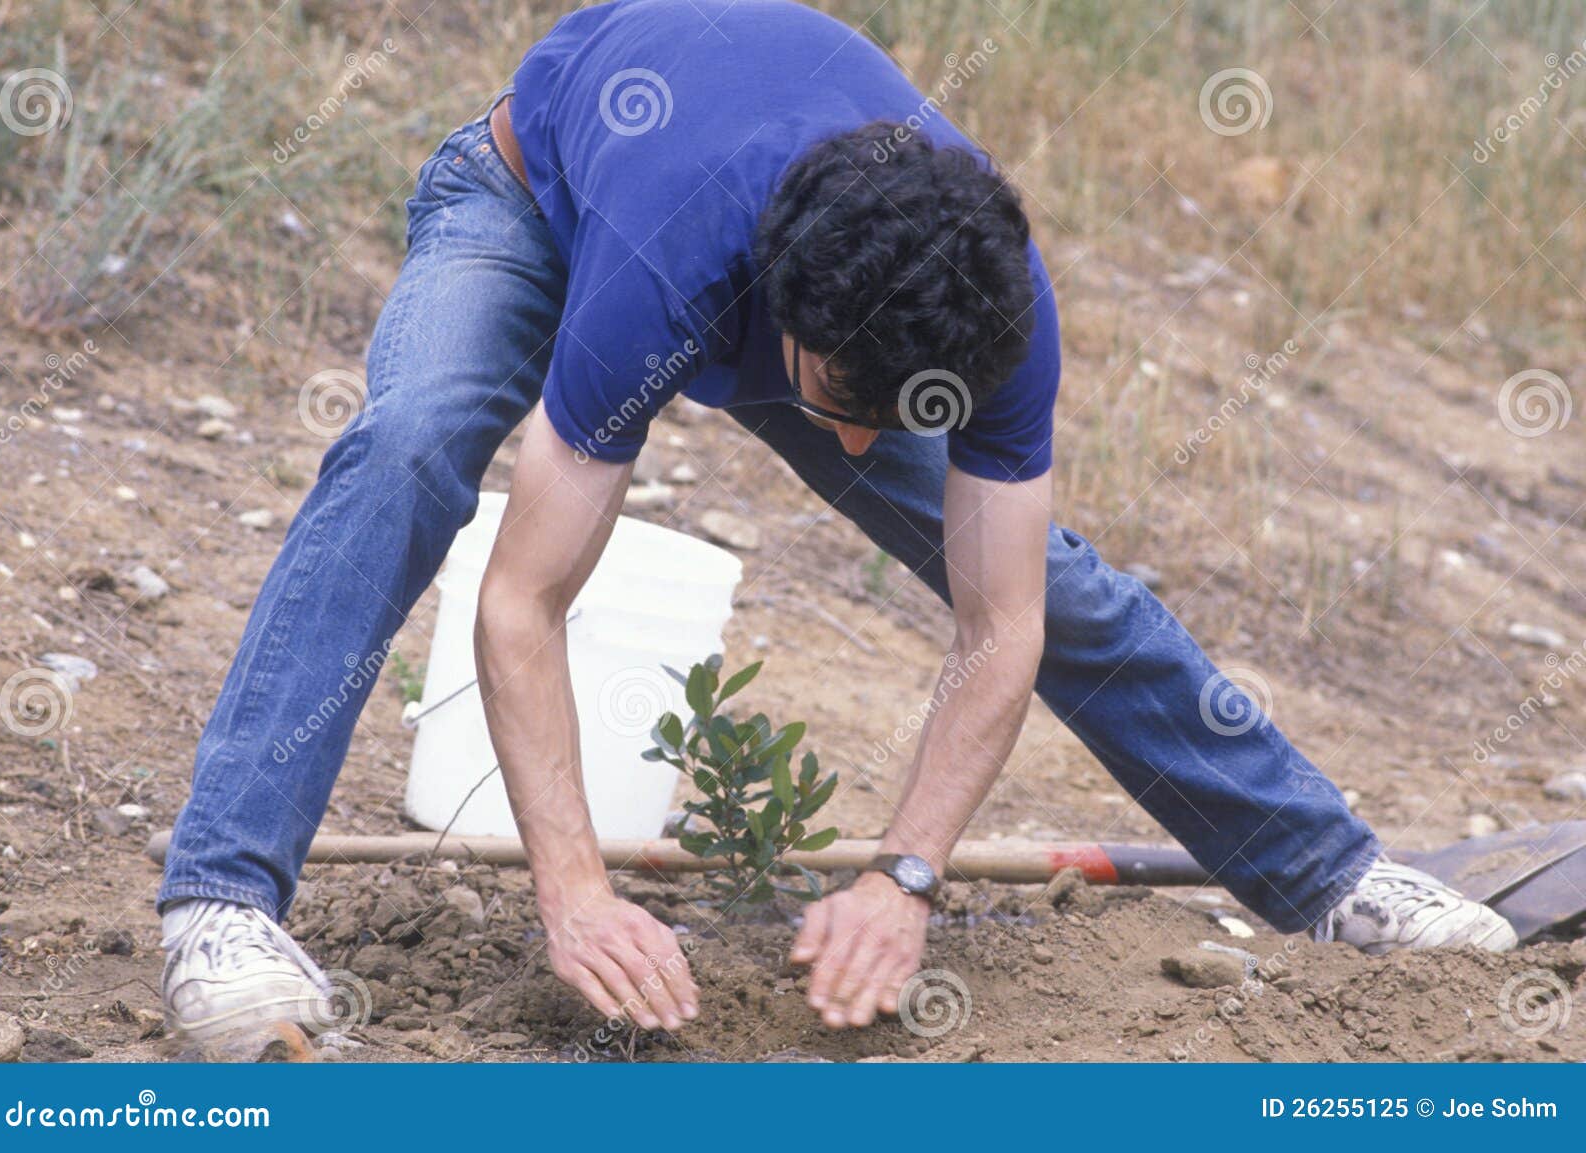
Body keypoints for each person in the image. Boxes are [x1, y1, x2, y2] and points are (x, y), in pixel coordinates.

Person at [158, 0, 1514, 1049]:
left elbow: (1004, 623)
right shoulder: (675, 261)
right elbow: (524, 600)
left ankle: (1329, 872)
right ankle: (222, 901)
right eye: (838, 411)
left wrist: (903, 877)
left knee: (1057, 582)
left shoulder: (986, 297)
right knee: (403, 452)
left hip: (809, 284)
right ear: (780, 320)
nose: (862, 451)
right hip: (535, 202)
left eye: (896, 417)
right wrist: (574, 892)